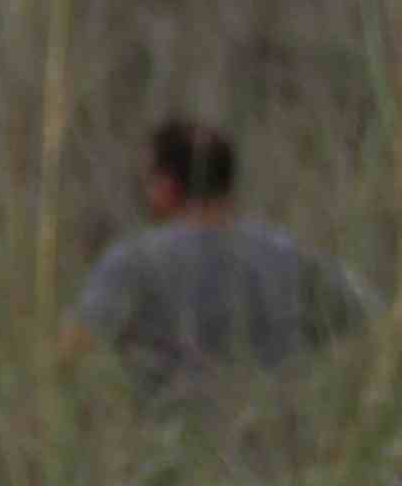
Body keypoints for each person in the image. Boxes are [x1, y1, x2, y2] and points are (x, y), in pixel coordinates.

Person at [73, 116, 369, 394]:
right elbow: (368, 321)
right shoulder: (288, 253)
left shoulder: (135, 260)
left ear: (166, 187)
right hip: (280, 429)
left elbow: (77, 346)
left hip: (170, 432)